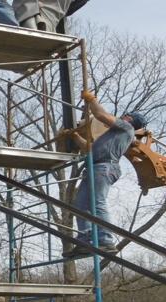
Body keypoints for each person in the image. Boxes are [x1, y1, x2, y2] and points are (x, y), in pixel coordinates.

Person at [63, 90, 146, 258]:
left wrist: (91, 100)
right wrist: (75, 135)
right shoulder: (112, 135)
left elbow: (100, 114)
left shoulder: (126, 128)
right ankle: (86, 240)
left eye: (127, 115)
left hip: (105, 167)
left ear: (130, 119)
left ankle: (106, 240)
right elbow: (89, 149)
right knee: (81, 204)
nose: (123, 116)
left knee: (97, 202)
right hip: (96, 166)